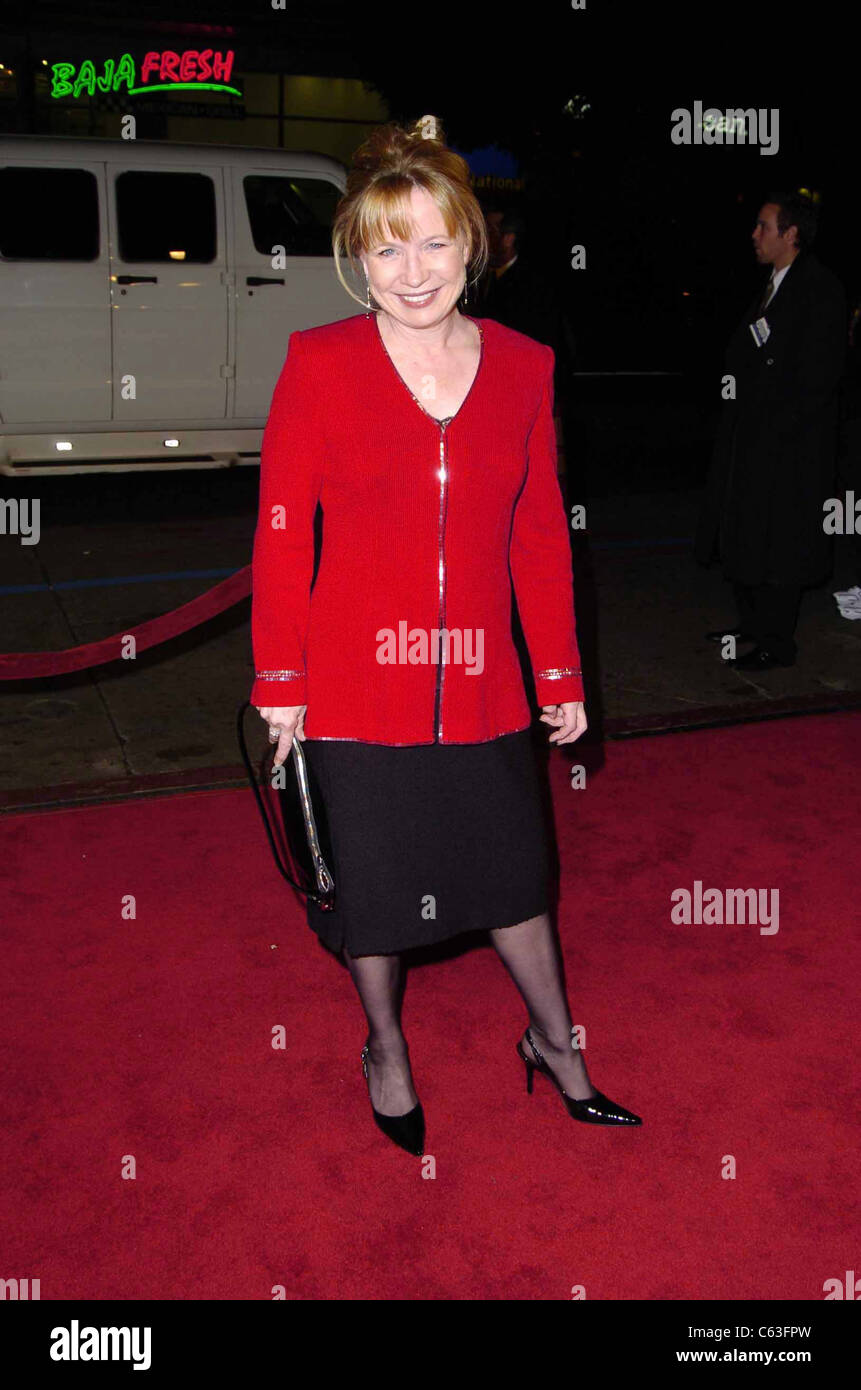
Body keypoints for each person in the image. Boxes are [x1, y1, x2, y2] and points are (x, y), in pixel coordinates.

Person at [250, 116, 641, 1158]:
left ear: (472, 244)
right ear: (356, 256)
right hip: (348, 689)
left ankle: (556, 1040)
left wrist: (558, 670)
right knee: (371, 898)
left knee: (517, 879)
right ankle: (385, 1048)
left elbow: (538, 536)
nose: (411, 271)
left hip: (479, 687)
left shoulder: (524, 366)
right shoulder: (319, 363)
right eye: (386, 247)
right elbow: (282, 531)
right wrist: (279, 679)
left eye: (433, 242)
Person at [696, 191, 846, 669]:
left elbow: (817, 378)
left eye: (764, 226)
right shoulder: (771, 284)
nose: (754, 235)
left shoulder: (819, 290)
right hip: (753, 440)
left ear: (791, 234)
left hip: (788, 450)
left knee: (780, 544)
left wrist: (777, 431)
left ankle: (777, 643)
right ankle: (752, 626)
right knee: (747, 536)